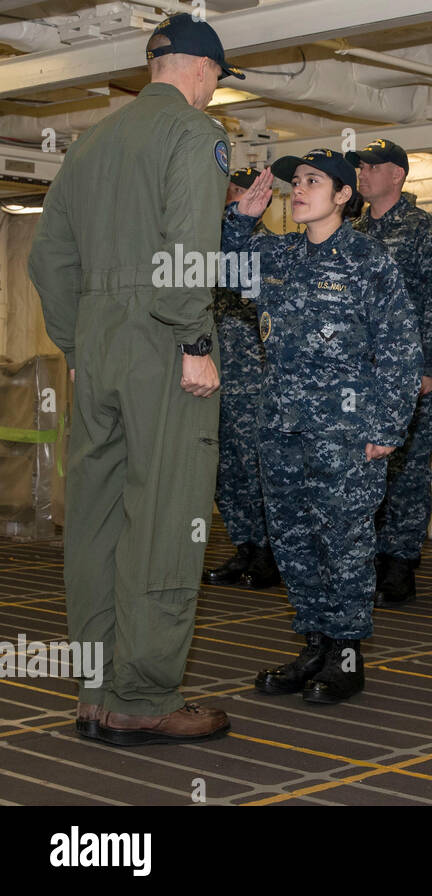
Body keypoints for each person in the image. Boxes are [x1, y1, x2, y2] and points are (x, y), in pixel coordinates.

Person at [27, 13, 240, 745]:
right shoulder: (196, 134)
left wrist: (76, 339)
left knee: (95, 517)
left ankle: (95, 689)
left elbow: (48, 255)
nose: (214, 91)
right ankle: (144, 695)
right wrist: (195, 340)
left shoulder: (89, 144)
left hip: (99, 338)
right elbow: (187, 245)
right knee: (165, 514)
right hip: (160, 338)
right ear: (203, 70)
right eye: (216, 79)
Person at [225, 150, 421, 704]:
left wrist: (387, 426)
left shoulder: (368, 259)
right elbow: (225, 266)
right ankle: (313, 642)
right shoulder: (279, 254)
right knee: (294, 541)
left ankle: (347, 655)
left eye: (314, 181)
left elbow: (402, 349)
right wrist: (242, 218)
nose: (299, 190)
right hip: (282, 427)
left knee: (345, 542)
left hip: (345, 431)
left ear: (343, 195)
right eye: (295, 183)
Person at [346, 139, 432, 607]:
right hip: (356, 379)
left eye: (374, 166)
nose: (363, 173)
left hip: (405, 375)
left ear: (398, 175)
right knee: (361, 470)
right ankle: (364, 559)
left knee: (407, 471)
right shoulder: (349, 232)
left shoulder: (422, 230)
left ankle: (400, 563)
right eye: (361, 167)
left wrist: (431, 367)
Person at [204, 166, 281, 591]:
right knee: (227, 471)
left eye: (238, 190)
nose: (230, 196)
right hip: (217, 380)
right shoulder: (211, 250)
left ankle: (270, 552)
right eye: (231, 189)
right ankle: (245, 546)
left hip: (257, 383)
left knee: (258, 470)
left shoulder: (271, 249)